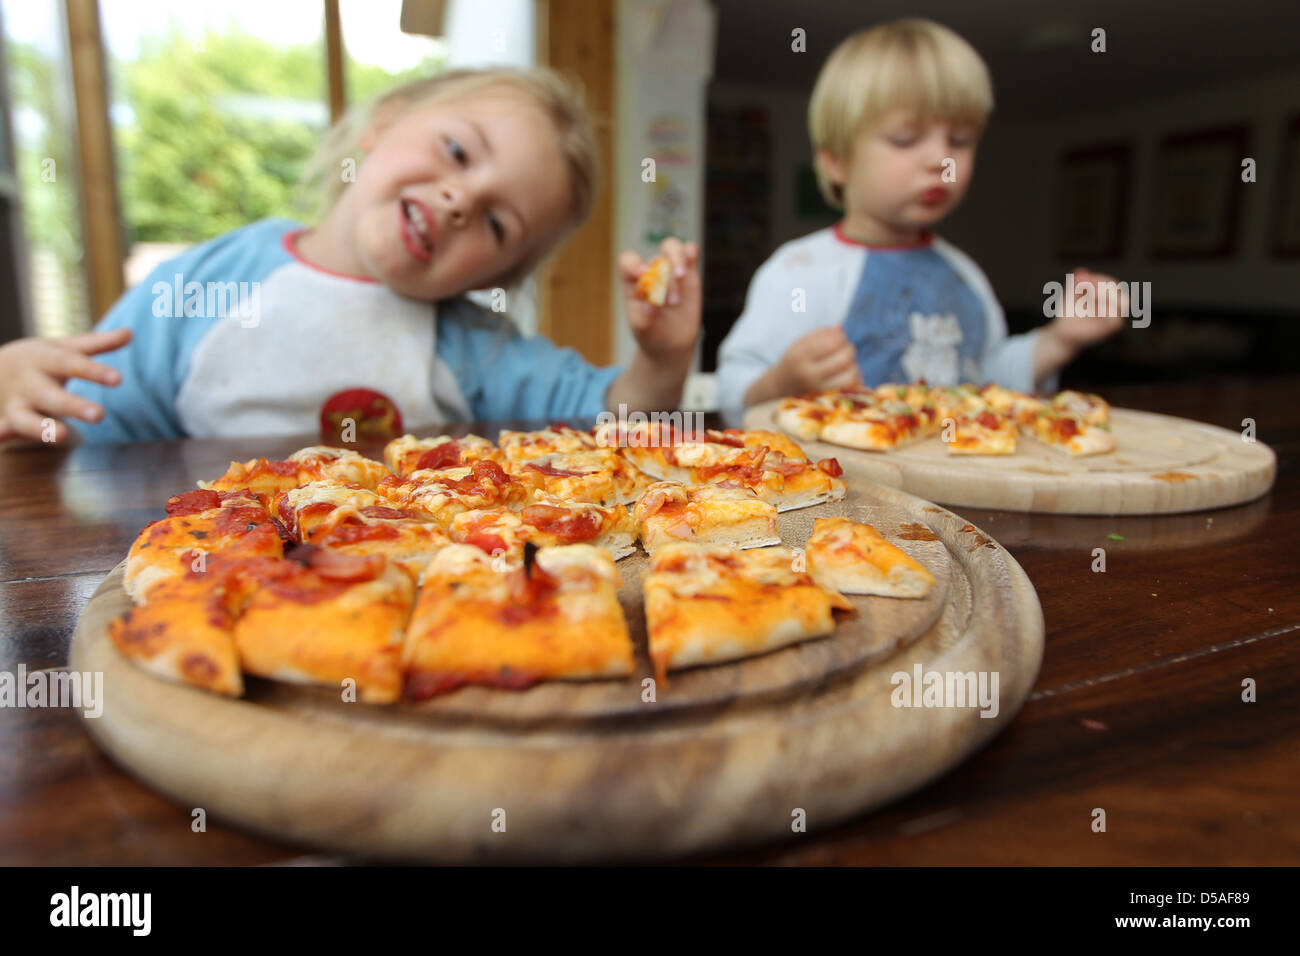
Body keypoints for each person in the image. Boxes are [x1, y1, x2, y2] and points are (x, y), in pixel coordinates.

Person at [0, 67, 700, 444]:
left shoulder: (474, 347)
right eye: (457, 151)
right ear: (383, 121)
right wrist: (16, 389)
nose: (461, 200)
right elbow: (81, 429)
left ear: (492, 278)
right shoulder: (204, 283)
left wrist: (663, 362)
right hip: (205, 578)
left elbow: (613, 419)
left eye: (496, 224)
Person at [716, 19, 1124, 416]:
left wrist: (1059, 339)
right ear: (837, 161)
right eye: (905, 139)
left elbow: (988, 382)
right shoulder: (798, 272)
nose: (940, 159)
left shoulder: (964, 276)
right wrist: (783, 384)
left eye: (959, 140)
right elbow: (733, 393)